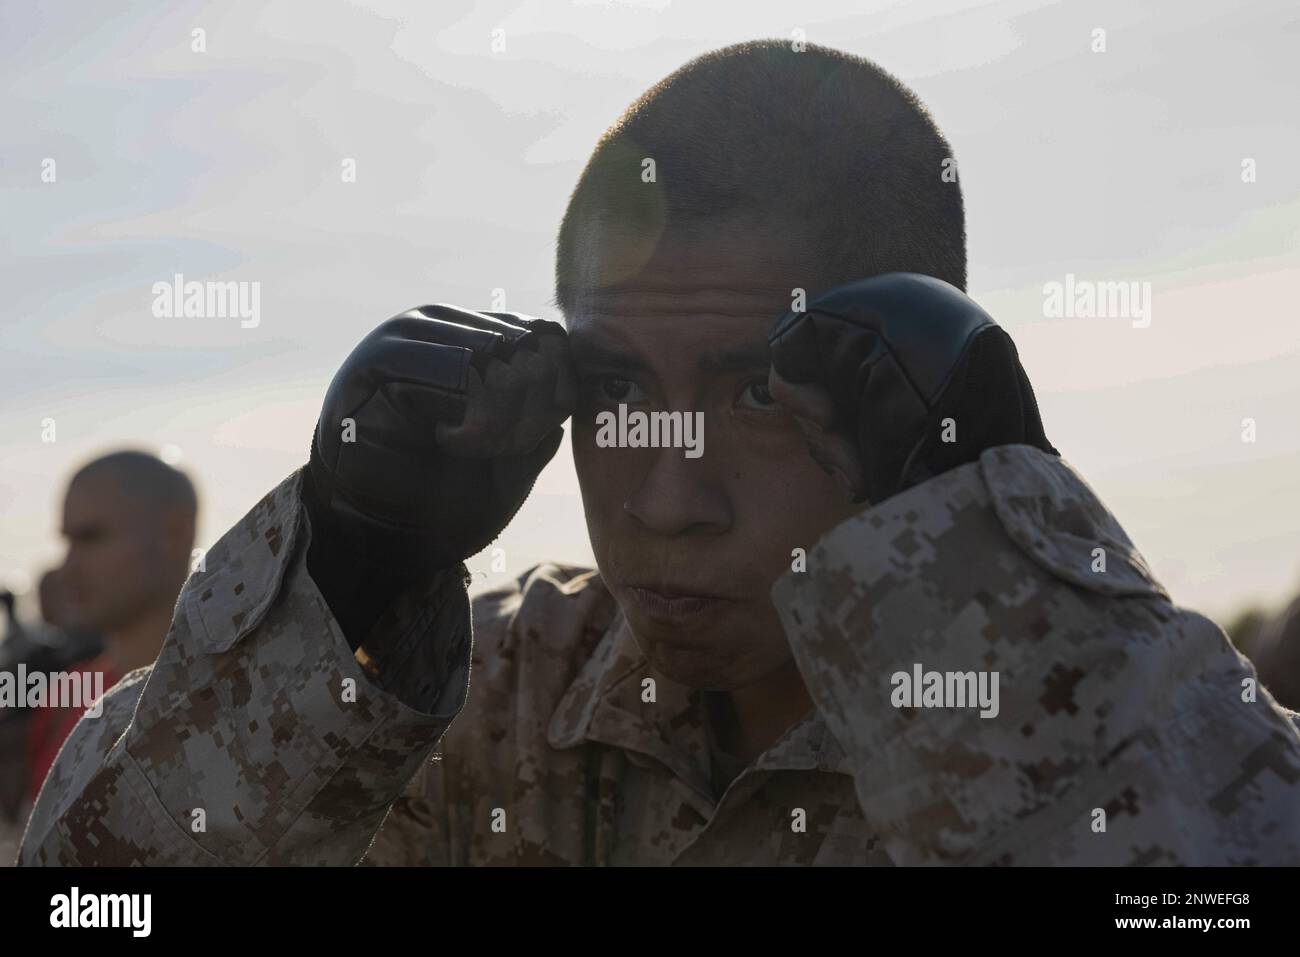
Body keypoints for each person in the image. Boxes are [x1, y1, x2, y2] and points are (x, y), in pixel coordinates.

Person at [19, 40, 1300, 866]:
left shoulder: (1131, 720)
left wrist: (1005, 586)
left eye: (756, 391)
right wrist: (344, 586)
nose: (667, 499)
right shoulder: (475, 713)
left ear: (916, 394)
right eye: (614, 391)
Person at [23, 451, 198, 807]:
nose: (68, 566)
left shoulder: (244, 690)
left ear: (174, 533)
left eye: (91, 537)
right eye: (67, 541)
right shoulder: (67, 695)